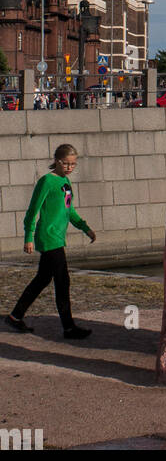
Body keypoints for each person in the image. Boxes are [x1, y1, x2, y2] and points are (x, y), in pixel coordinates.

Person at [5, 143, 96, 338]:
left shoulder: (66, 183)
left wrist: (85, 227)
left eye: (73, 164)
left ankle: (15, 316)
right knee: (62, 281)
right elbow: (33, 211)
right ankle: (69, 327)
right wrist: (28, 237)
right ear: (57, 161)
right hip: (48, 237)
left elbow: (69, 210)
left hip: (57, 238)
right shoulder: (46, 181)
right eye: (66, 163)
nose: (70, 168)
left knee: (42, 279)